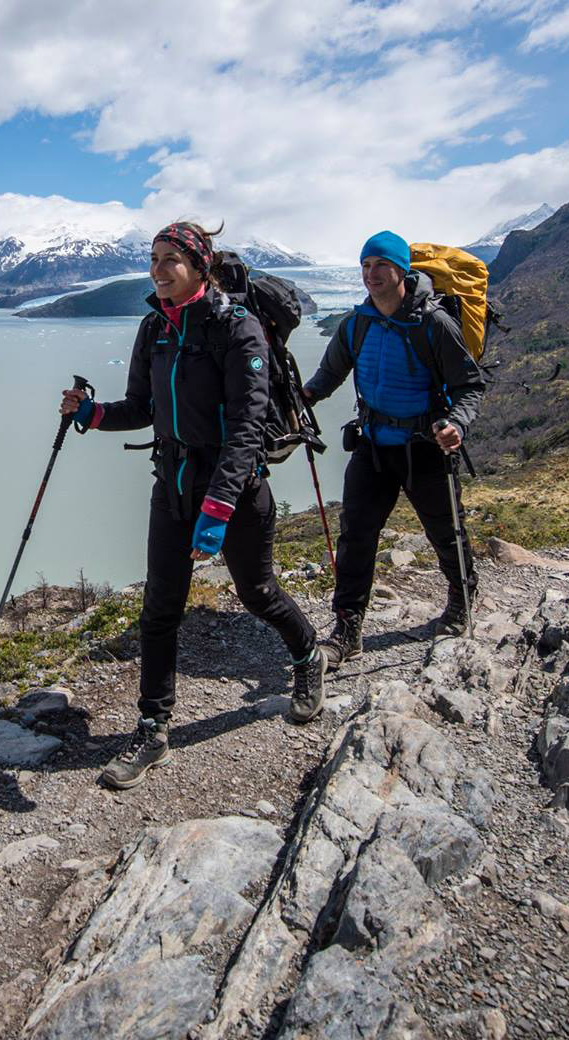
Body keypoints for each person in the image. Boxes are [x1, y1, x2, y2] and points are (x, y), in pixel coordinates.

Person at [59, 221, 326, 792]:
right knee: (160, 608)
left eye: (170, 260)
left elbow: (249, 427)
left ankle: (308, 657)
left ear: (200, 268)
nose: (158, 270)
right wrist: (93, 413)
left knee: (257, 593)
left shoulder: (238, 329)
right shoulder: (154, 327)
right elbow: (140, 407)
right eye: (154, 259)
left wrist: (221, 505)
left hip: (234, 489)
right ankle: (152, 728)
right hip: (173, 485)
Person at [303, 230, 489, 663]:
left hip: (425, 447)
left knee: (445, 531)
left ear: (402, 270)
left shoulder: (434, 324)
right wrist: (299, 401)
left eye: (381, 266)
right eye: (366, 266)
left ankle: (462, 597)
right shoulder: (357, 324)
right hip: (372, 445)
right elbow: (327, 377)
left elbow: (469, 385)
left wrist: (457, 424)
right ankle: (347, 629)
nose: (372, 275)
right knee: (356, 537)